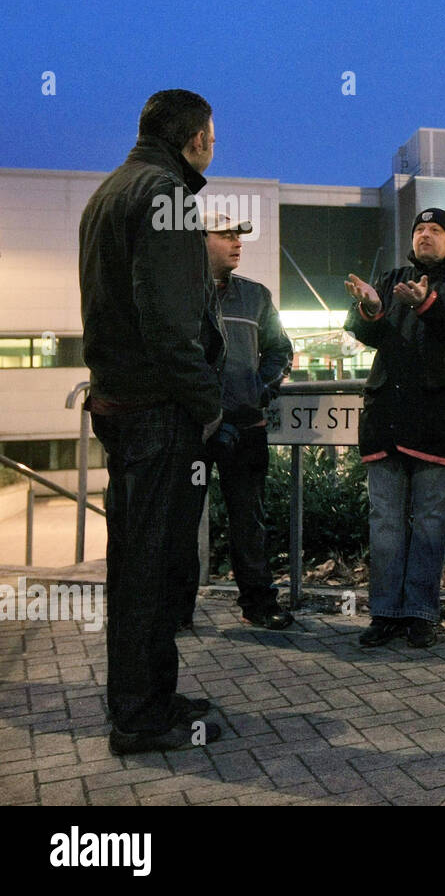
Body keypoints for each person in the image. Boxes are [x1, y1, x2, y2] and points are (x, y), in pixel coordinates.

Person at [79, 89, 225, 755]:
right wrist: (208, 402)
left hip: (123, 403)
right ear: (194, 138)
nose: (215, 146)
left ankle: (150, 698)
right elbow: (171, 326)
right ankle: (141, 716)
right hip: (157, 412)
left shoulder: (111, 191)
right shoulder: (165, 195)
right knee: (149, 569)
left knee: (139, 564)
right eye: (212, 135)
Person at [344, 208, 445, 648]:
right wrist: (368, 309)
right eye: (420, 229)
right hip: (387, 416)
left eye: (435, 230)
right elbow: (365, 333)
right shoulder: (389, 278)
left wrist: (426, 303)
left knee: (429, 521)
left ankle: (421, 614)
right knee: (385, 520)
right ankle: (384, 613)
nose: (425, 235)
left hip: (438, 421)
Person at [176, 212, 295, 630]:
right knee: (181, 521)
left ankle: (259, 605)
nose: (237, 242)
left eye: (239, 235)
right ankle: (176, 612)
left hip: (245, 429)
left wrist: (262, 391)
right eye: (225, 235)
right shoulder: (178, 294)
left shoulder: (256, 296)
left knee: (250, 520)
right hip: (193, 430)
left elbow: (281, 350)